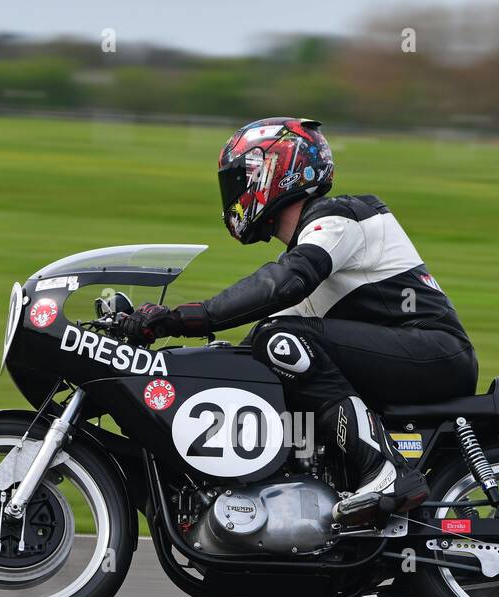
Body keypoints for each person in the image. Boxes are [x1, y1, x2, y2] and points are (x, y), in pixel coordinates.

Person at [118, 117, 478, 524]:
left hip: (435, 353)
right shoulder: (312, 247)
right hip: (404, 355)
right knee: (262, 347)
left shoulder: (342, 218)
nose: (235, 192)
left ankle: (386, 472)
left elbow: (284, 282)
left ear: (278, 170)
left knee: (278, 338)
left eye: (243, 177)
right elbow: (269, 315)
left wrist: (184, 318)